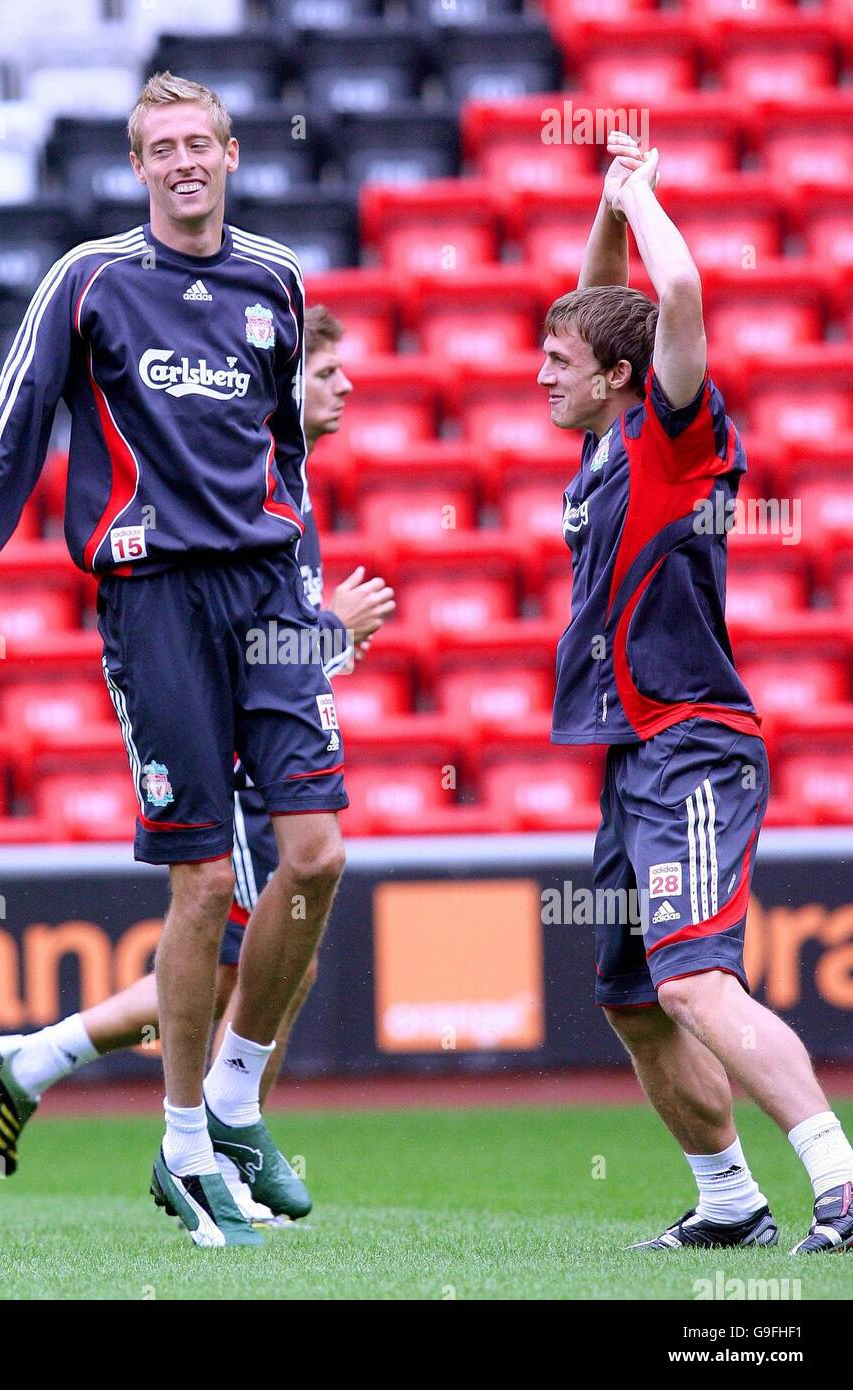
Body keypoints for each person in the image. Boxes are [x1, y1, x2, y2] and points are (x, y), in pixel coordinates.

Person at [0, 73, 358, 1249]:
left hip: (268, 589)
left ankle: (233, 1102)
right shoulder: (88, 281)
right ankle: (186, 1140)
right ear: (140, 168)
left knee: (319, 853)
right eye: (161, 147)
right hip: (153, 598)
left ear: (233, 154)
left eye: (201, 141)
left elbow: (287, 453)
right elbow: (10, 424)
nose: (184, 161)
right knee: (200, 885)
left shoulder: (278, 280)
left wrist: (306, 585)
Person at [0, 309, 393, 1225]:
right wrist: (332, 633)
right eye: (324, 371)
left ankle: (43, 1061)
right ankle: (204, 1146)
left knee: (273, 963)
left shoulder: (287, 485)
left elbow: (267, 641)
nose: (342, 386)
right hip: (226, 765)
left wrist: (316, 644)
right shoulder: (248, 488)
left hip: (252, 754)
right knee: (250, 965)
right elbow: (248, 638)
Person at [540, 129, 853, 1254]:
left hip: (693, 745)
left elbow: (674, 290)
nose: (542, 375)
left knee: (695, 985)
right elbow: (604, 299)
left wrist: (643, 192)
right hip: (634, 757)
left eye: (561, 363)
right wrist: (608, 217)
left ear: (621, 378)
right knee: (633, 997)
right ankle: (729, 1201)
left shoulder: (670, 440)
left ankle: (839, 1176)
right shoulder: (603, 444)